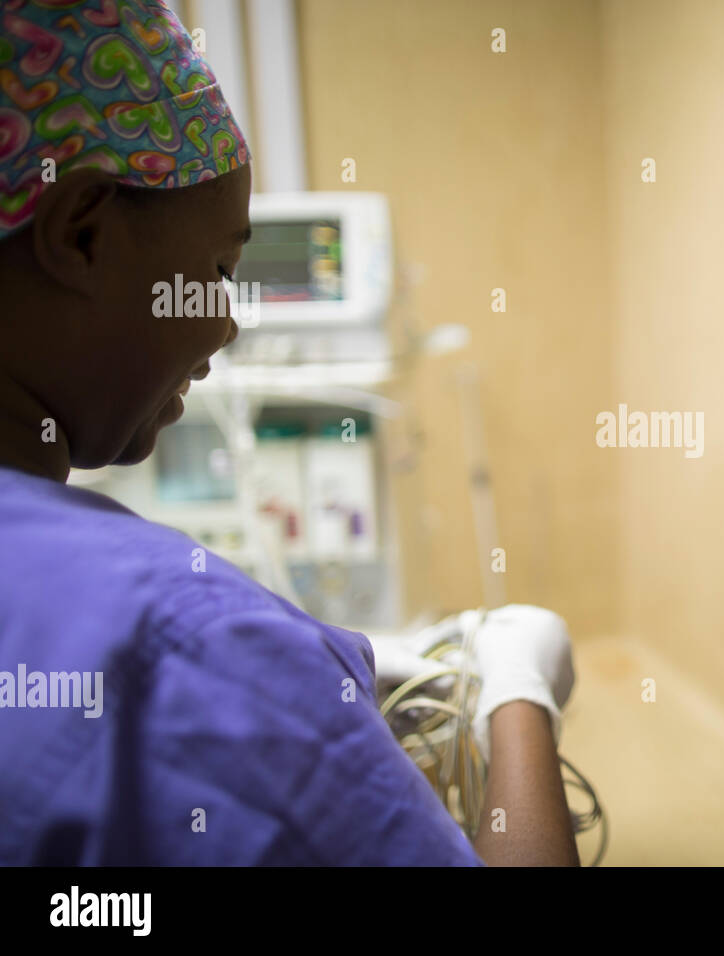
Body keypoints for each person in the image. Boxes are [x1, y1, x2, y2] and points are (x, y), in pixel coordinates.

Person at [0, 1, 576, 866]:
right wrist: (520, 696)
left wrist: (311, 673)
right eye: (220, 270)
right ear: (80, 232)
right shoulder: (186, 640)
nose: (225, 326)